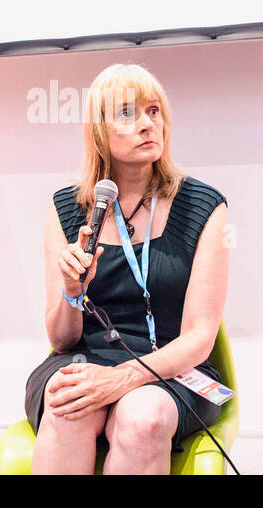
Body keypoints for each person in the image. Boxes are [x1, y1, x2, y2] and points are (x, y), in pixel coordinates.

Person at [26, 63, 229, 474]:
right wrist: (71, 291)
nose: (146, 124)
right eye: (127, 113)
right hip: (84, 356)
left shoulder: (204, 206)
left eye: (154, 111)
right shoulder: (67, 208)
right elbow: (62, 339)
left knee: (143, 417)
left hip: (174, 366)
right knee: (69, 403)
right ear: (98, 131)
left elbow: (200, 338)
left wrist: (122, 379)